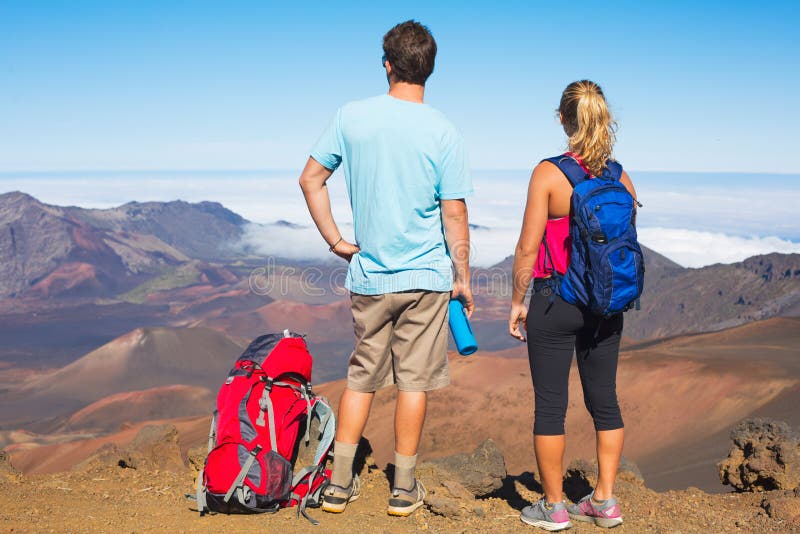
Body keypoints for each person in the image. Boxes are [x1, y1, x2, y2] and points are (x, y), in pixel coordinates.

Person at [298, 20, 474, 518]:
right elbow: (454, 211)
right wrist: (462, 276)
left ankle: (338, 485)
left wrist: (336, 242)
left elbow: (310, 179)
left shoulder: (350, 117)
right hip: (426, 279)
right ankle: (403, 489)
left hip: (370, 276)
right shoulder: (444, 130)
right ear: (430, 68)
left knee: (361, 378)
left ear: (387, 64)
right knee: (413, 383)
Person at [508, 80, 637, 531]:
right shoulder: (619, 176)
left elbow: (527, 247)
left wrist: (517, 301)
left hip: (555, 299)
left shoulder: (548, 174)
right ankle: (604, 501)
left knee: (550, 406)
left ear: (562, 119)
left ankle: (554, 506)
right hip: (606, 303)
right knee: (606, 402)